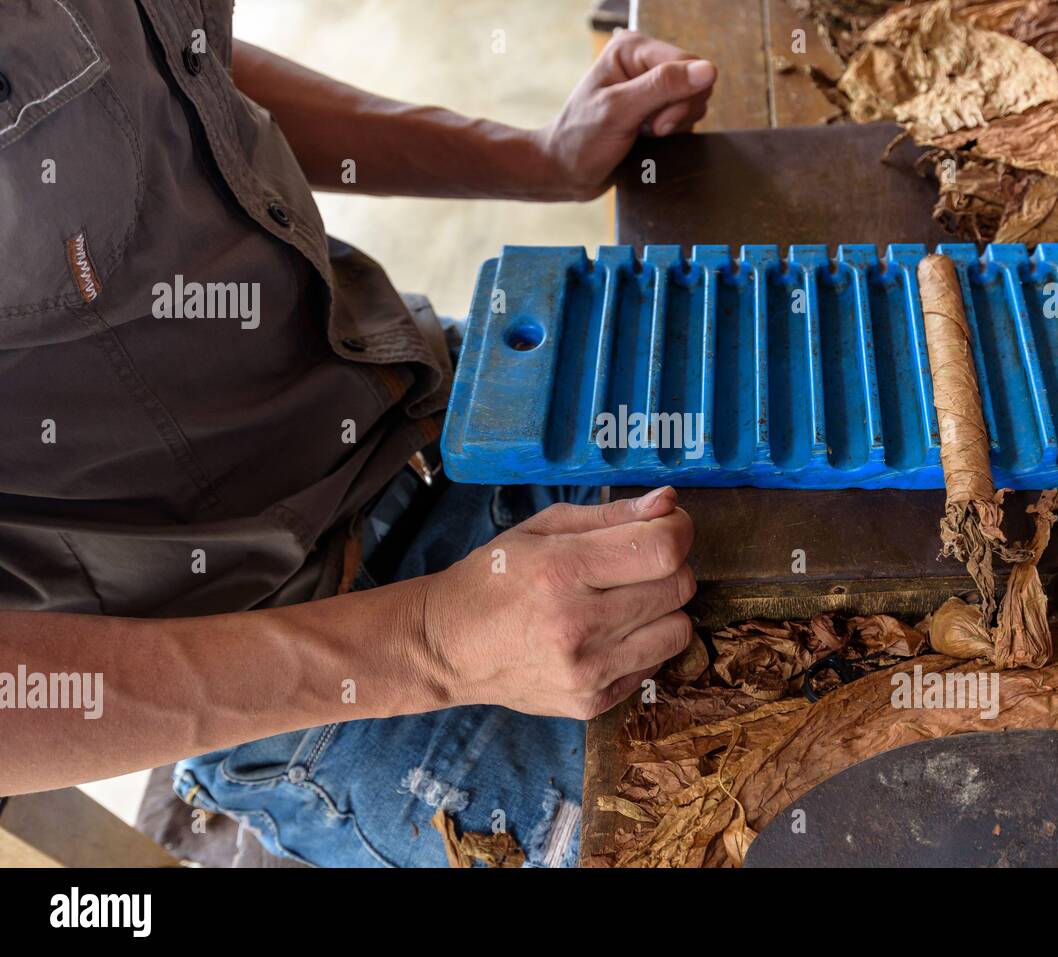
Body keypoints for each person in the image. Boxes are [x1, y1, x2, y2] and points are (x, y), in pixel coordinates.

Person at [0, 1, 715, 867]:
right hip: (293, 651)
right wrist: (433, 644)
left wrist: (541, 158)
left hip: (422, 387)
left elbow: (172, 75)